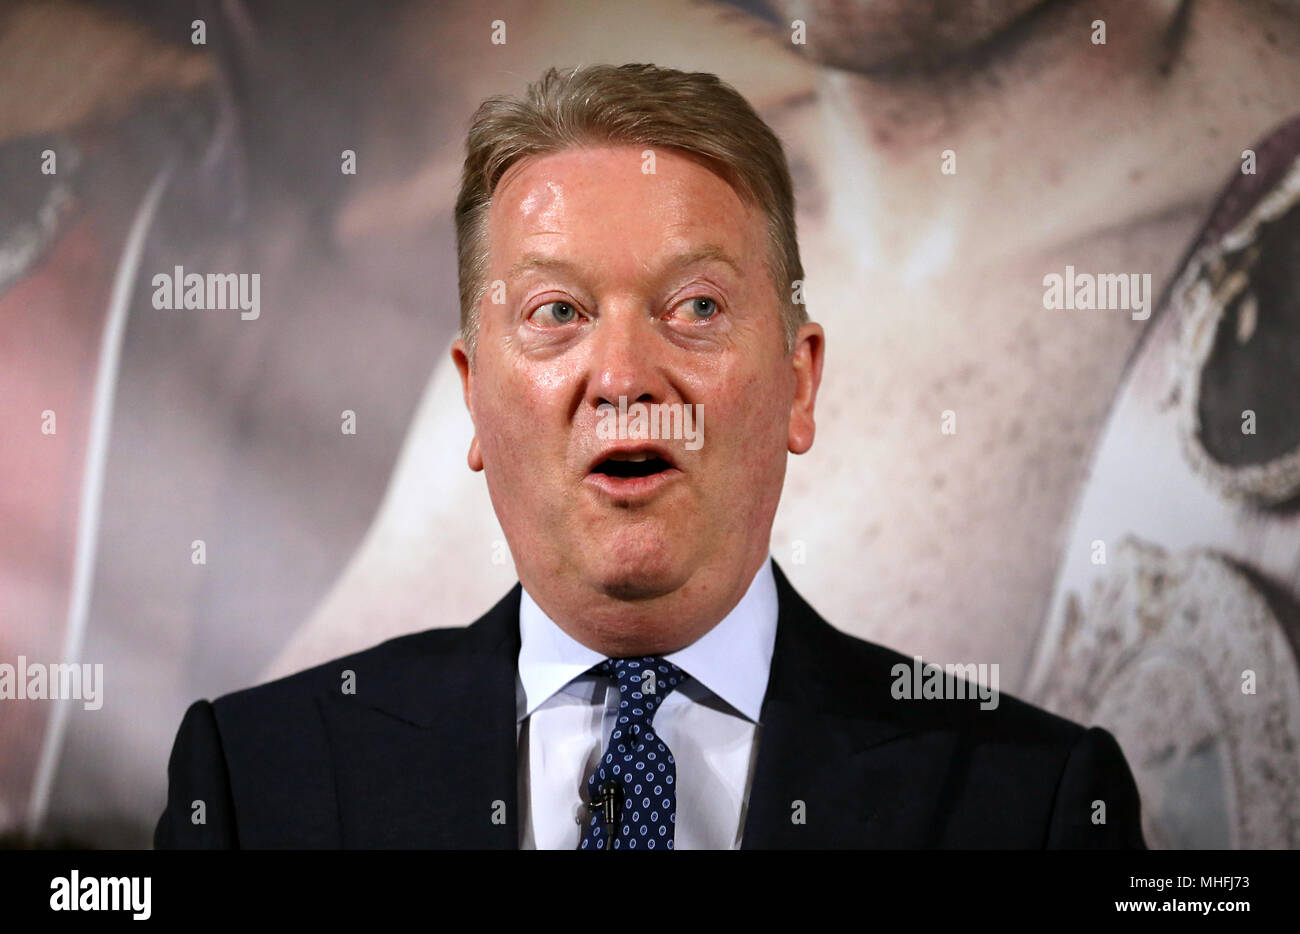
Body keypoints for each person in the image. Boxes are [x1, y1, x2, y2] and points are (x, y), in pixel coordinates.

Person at [155, 63, 1145, 849]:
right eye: (556, 313)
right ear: (469, 394)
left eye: (697, 308)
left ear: (799, 383)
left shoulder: (1029, 804)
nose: (624, 374)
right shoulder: (260, 784)